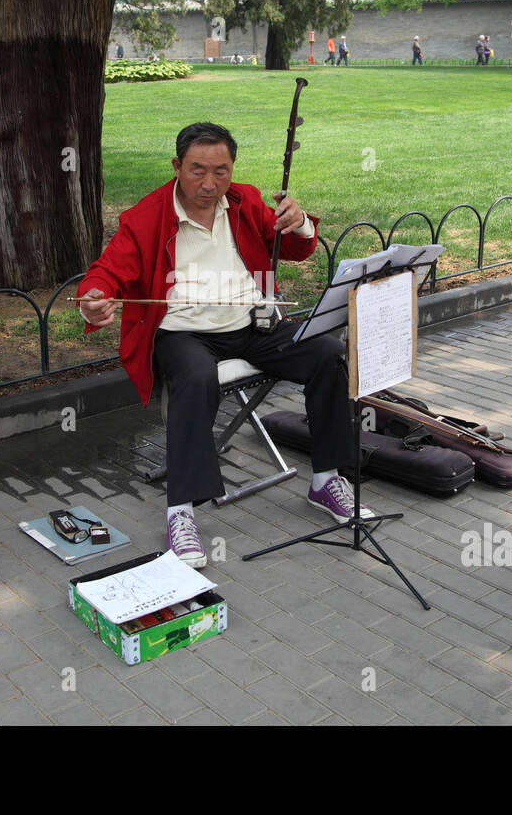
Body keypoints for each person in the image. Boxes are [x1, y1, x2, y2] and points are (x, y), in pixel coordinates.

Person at [77, 123, 370, 568]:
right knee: (196, 376)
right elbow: (106, 272)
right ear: (177, 167)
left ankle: (326, 478)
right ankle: (181, 511)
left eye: (221, 171)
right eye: (197, 171)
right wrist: (93, 300)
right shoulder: (145, 216)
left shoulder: (244, 201)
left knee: (327, 354)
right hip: (182, 331)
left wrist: (301, 222)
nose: (209, 184)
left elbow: (292, 248)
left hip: (251, 323)